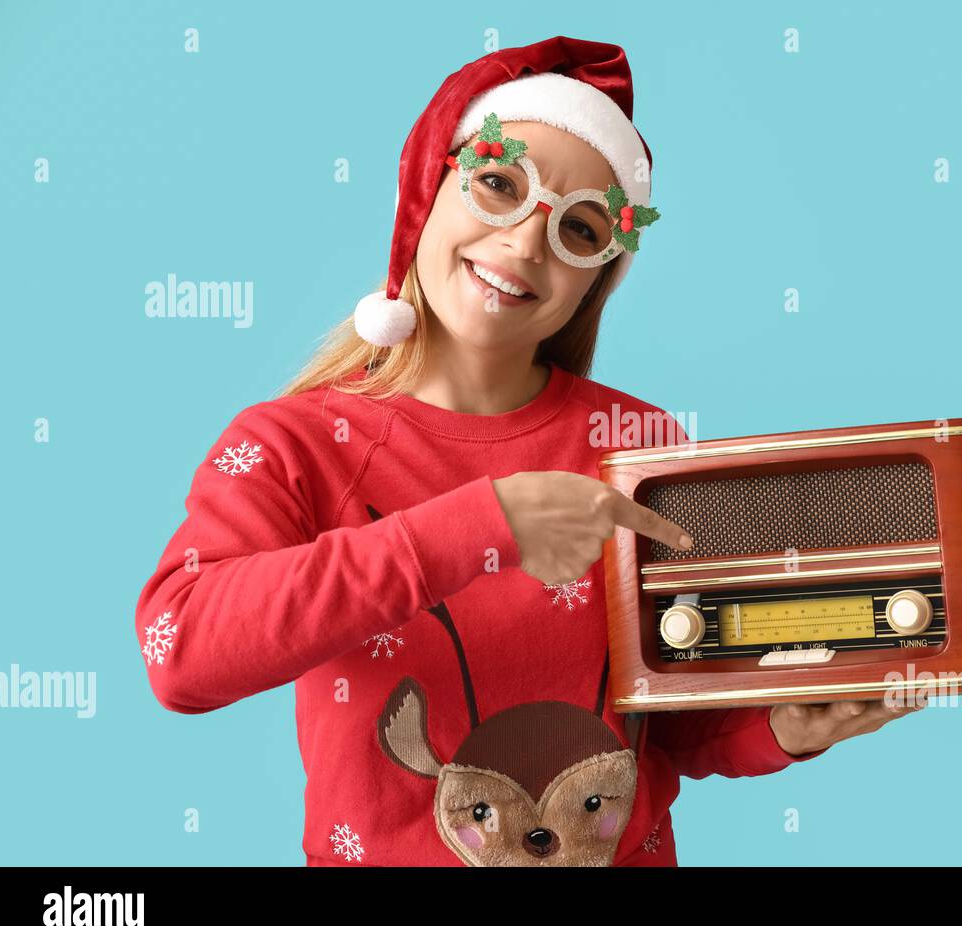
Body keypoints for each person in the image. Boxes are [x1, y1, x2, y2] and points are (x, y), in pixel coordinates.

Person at [133, 35, 921, 867]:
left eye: (578, 228)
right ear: (424, 192)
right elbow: (180, 652)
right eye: (498, 185)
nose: (523, 244)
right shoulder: (292, 445)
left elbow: (677, 721)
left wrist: (781, 726)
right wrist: (481, 523)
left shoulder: (643, 447)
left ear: (598, 276)